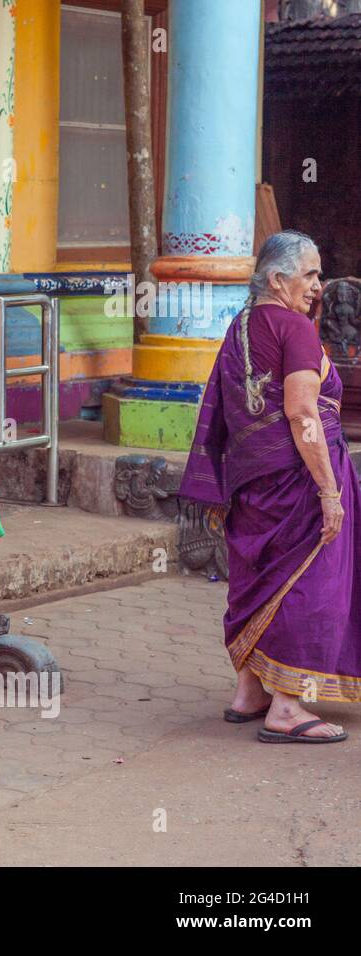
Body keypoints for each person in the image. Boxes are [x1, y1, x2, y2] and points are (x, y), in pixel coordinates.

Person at [179, 229, 361, 743]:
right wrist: (330, 491)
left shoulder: (240, 326)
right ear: (278, 278)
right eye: (311, 274)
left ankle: (250, 693)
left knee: (260, 579)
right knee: (310, 584)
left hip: (252, 483)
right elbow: (302, 411)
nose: (319, 286)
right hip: (298, 483)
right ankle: (287, 706)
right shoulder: (296, 330)